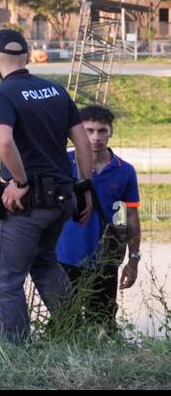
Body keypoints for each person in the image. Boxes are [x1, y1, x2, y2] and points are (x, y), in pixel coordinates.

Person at [0, 28, 94, 344]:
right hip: (62, 198)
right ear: (28, 57)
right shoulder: (56, 90)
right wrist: (84, 187)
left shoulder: (0, 95)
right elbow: (83, 142)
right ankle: (76, 337)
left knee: (6, 280)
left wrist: (20, 182)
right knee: (45, 264)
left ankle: (15, 354)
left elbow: (4, 142)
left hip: (26, 204)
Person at [56, 105, 140, 332]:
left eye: (102, 130)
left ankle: (101, 367)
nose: (96, 138)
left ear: (111, 131)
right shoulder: (62, 162)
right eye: (89, 131)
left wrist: (133, 260)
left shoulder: (125, 170)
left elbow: (132, 215)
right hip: (64, 257)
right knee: (64, 324)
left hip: (105, 260)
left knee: (102, 324)